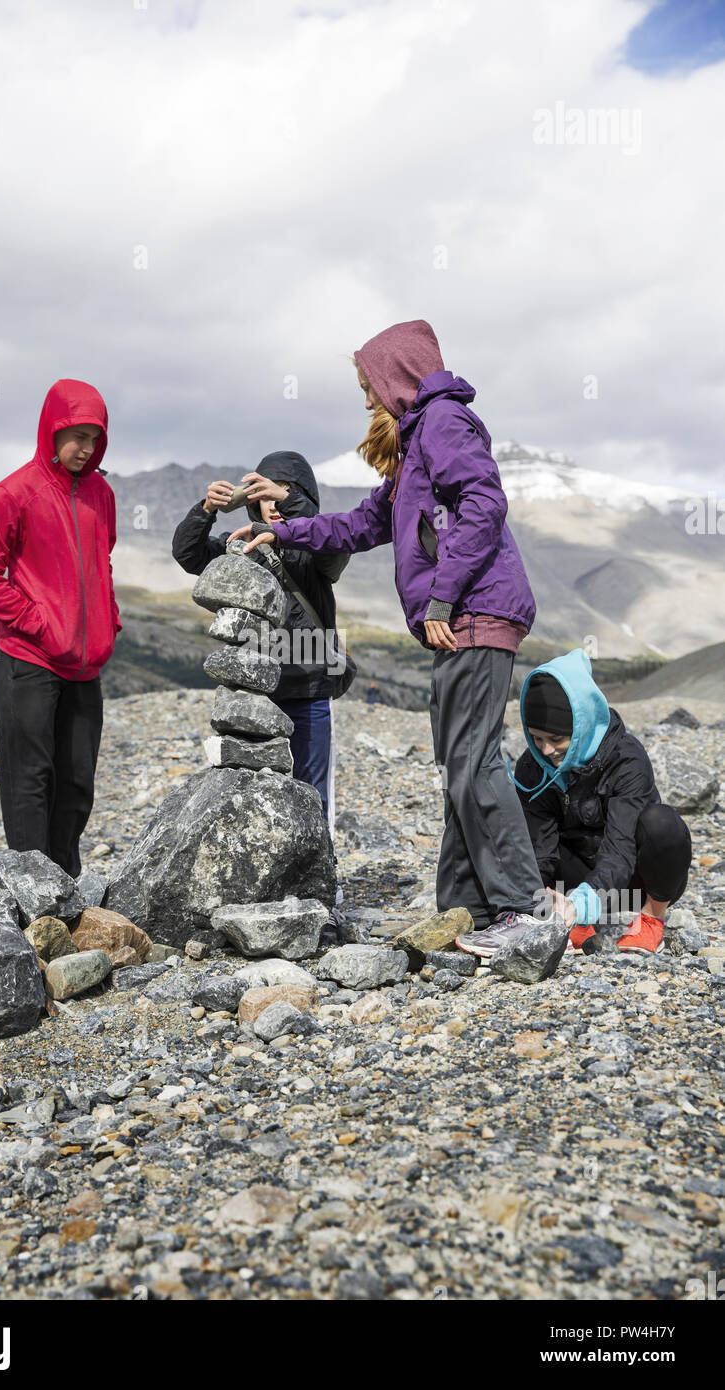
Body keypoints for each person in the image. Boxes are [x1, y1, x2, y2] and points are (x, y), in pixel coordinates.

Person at [231, 320, 561, 944]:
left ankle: (521, 910)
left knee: (473, 761)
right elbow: (361, 524)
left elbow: (483, 505)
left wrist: (441, 598)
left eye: (368, 384)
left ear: (396, 376)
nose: (366, 400)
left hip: (474, 612)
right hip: (462, 614)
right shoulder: (416, 446)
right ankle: (470, 907)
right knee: (459, 763)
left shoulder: (442, 423)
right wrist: (286, 527)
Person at [172, 450, 354, 906]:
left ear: (302, 496)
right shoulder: (241, 543)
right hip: (256, 693)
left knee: (312, 793)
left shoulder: (316, 546)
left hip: (310, 688)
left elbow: (335, 548)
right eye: (263, 495)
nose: (271, 504)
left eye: (284, 493)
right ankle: (261, 885)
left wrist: (292, 507)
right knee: (250, 788)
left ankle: (318, 891)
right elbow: (189, 555)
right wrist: (207, 510)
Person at [0, 379, 120, 879]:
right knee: (30, 776)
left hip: (85, 664)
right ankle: (32, 892)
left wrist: (108, 620)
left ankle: (65, 883)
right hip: (27, 659)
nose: (86, 448)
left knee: (76, 780)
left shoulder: (102, 493)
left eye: (94, 438)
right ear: (51, 431)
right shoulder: (12, 494)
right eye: (76, 436)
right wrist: (37, 622)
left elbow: (103, 564)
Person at [506, 647, 693, 954]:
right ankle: (576, 923)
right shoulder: (532, 765)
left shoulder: (627, 759)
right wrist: (537, 901)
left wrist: (583, 902)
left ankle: (651, 918)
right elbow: (539, 846)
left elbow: (621, 849)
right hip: (574, 882)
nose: (546, 750)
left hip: (634, 882)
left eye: (556, 740)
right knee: (510, 829)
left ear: (581, 726)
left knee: (662, 824)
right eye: (536, 738)